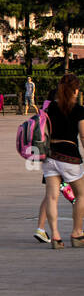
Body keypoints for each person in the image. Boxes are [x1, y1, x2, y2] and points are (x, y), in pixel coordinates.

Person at [39, 74, 84, 248]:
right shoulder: (79, 109)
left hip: (50, 156)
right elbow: (82, 135)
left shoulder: (49, 109)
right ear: (76, 90)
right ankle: (77, 232)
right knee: (81, 195)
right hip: (70, 157)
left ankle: (56, 236)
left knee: (51, 197)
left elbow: (43, 133)